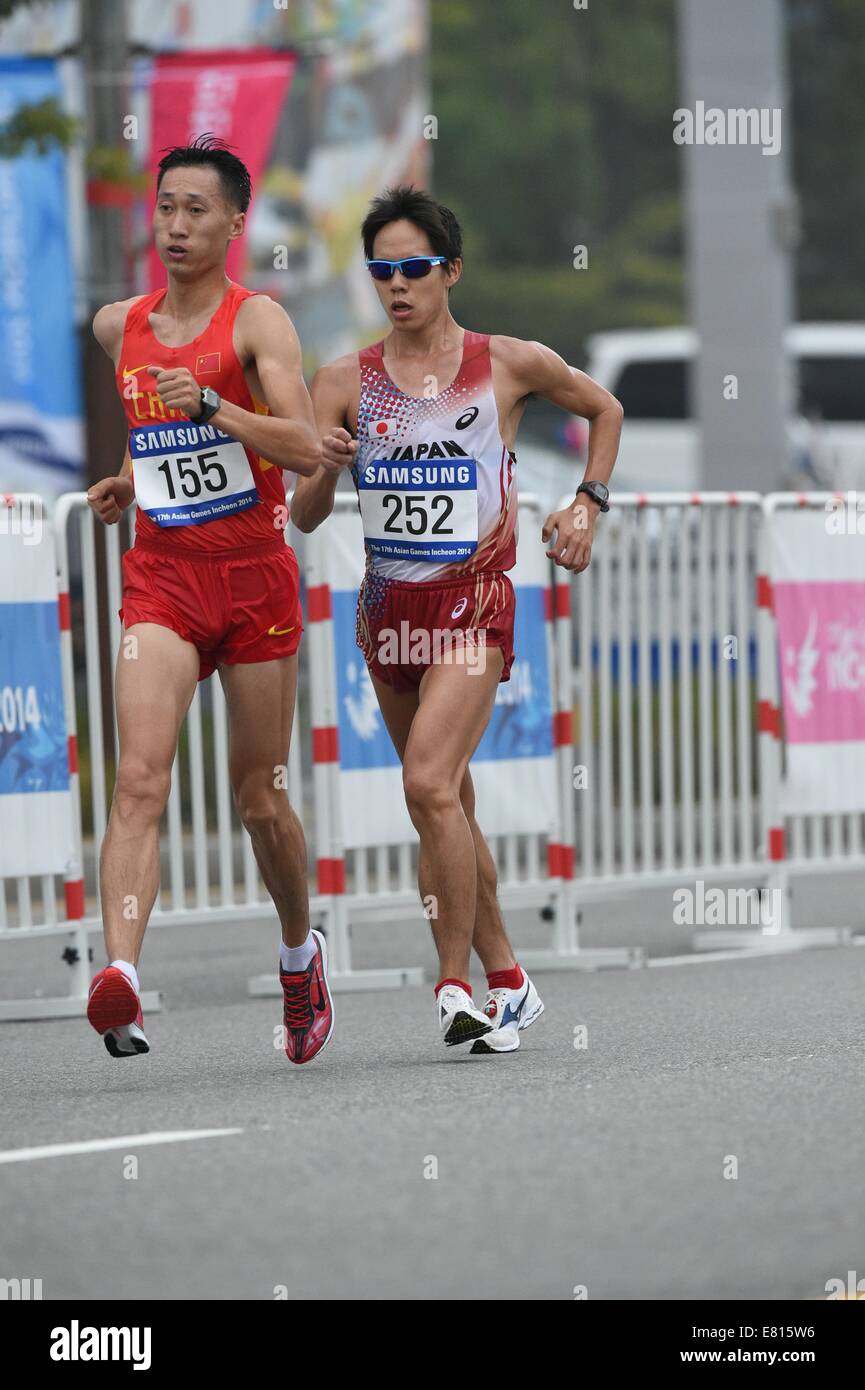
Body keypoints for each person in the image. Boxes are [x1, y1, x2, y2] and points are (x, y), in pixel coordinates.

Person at [291, 186, 623, 1053]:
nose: (395, 285)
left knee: (427, 786)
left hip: (473, 607)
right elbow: (305, 516)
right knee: (451, 808)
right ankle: (509, 980)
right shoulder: (341, 382)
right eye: (380, 271)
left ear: (451, 271)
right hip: (388, 616)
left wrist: (585, 503)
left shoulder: (505, 363)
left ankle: (451, 987)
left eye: (413, 268)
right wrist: (325, 470)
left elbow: (603, 409)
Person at [86, 135, 333, 1065]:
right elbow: (146, 425)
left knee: (258, 798)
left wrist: (213, 410)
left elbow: (306, 450)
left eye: (197, 209)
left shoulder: (258, 321)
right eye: (165, 208)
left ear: (235, 221)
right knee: (141, 776)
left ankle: (299, 954)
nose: (176, 225)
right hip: (163, 576)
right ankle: (121, 978)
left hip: (254, 576)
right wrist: (123, 479)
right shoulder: (121, 324)